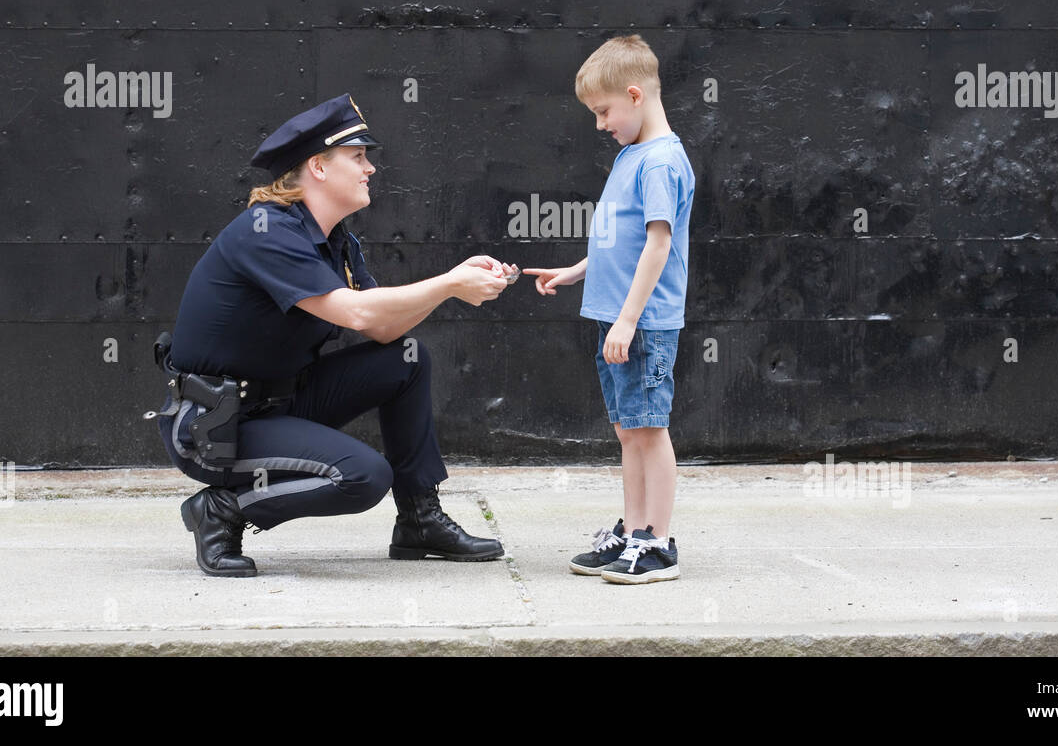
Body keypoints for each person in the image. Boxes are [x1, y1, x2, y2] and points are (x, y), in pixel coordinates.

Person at [147, 93, 517, 577]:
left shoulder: (337, 240)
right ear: (318, 167)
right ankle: (220, 511)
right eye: (358, 157)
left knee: (406, 358)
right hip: (217, 427)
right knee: (363, 476)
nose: (371, 169)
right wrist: (448, 284)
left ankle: (419, 521)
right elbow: (356, 314)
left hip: (280, 404)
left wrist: (451, 286)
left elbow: (383, 327)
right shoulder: (266, 232)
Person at [524, 35, 695, 584]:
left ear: (635, 94)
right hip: (615, 319)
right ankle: (633, 533)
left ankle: (659, 544)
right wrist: (573, 272)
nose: (600, 124)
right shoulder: (630, 156)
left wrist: (627, 319)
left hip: (641, 324)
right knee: (628, 430)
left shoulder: (662, 161)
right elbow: (614, 239)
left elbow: (658, 245)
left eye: (604, 111)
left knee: (650, 428)